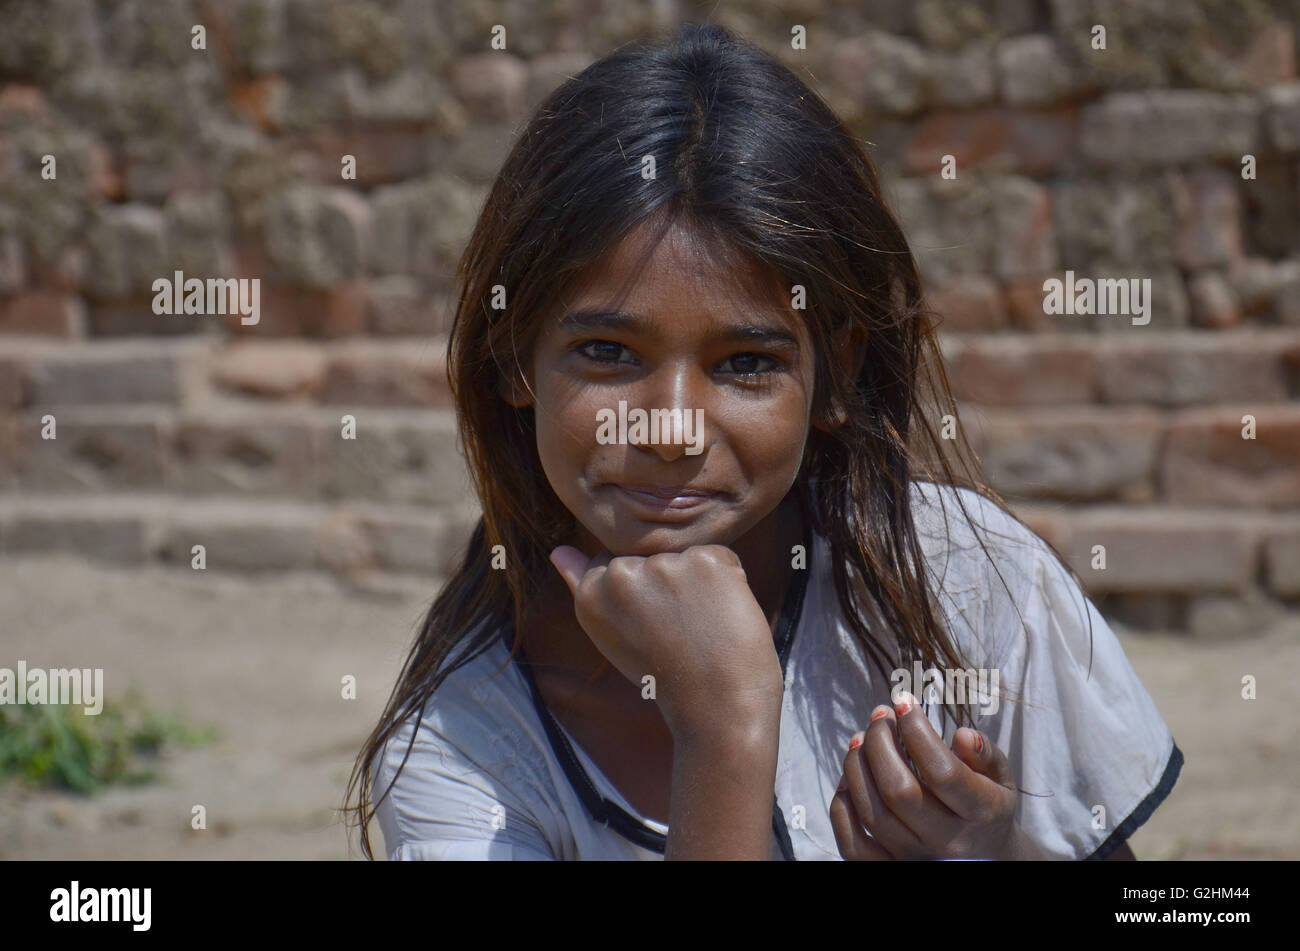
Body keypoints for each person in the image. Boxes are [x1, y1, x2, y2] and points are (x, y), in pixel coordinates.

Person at [343, 22, 1181, 860]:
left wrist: (996, 846)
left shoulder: (963, 580)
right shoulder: (463, 751)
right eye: (606, 352)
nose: (670, 429)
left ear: (834, 376)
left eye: (746, 362)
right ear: (513, 358)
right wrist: (725, 726)